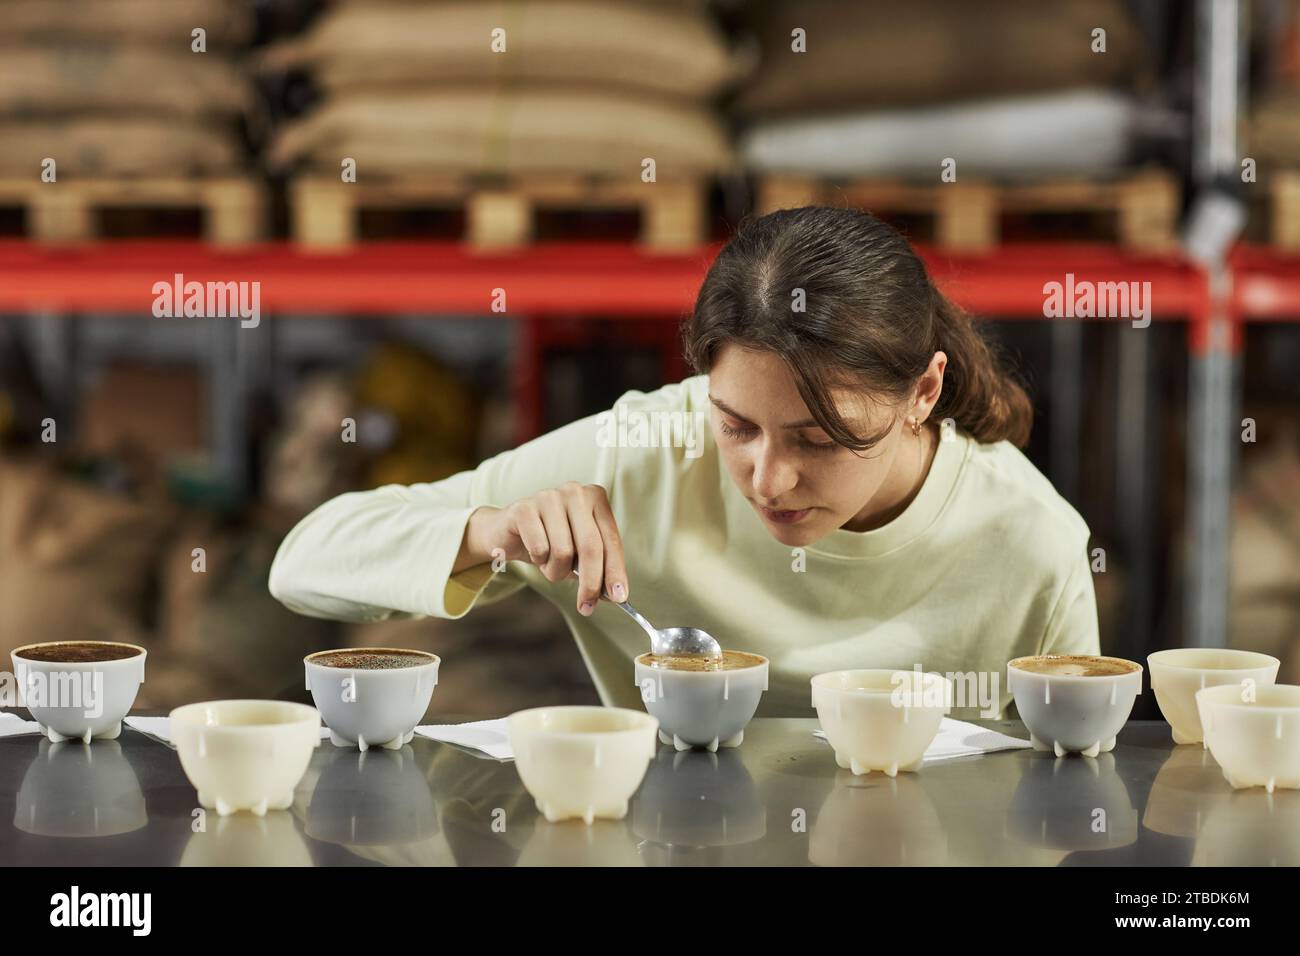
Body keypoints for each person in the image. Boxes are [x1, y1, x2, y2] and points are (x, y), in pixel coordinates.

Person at [269, 206, 1099, 719]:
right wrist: (494, 530)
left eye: (818, 439)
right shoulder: (647, 452)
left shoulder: (1031, 545)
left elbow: (1068, 801)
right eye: (736, 425)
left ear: (923, 392)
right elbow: (305, 559)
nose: (768, 479)